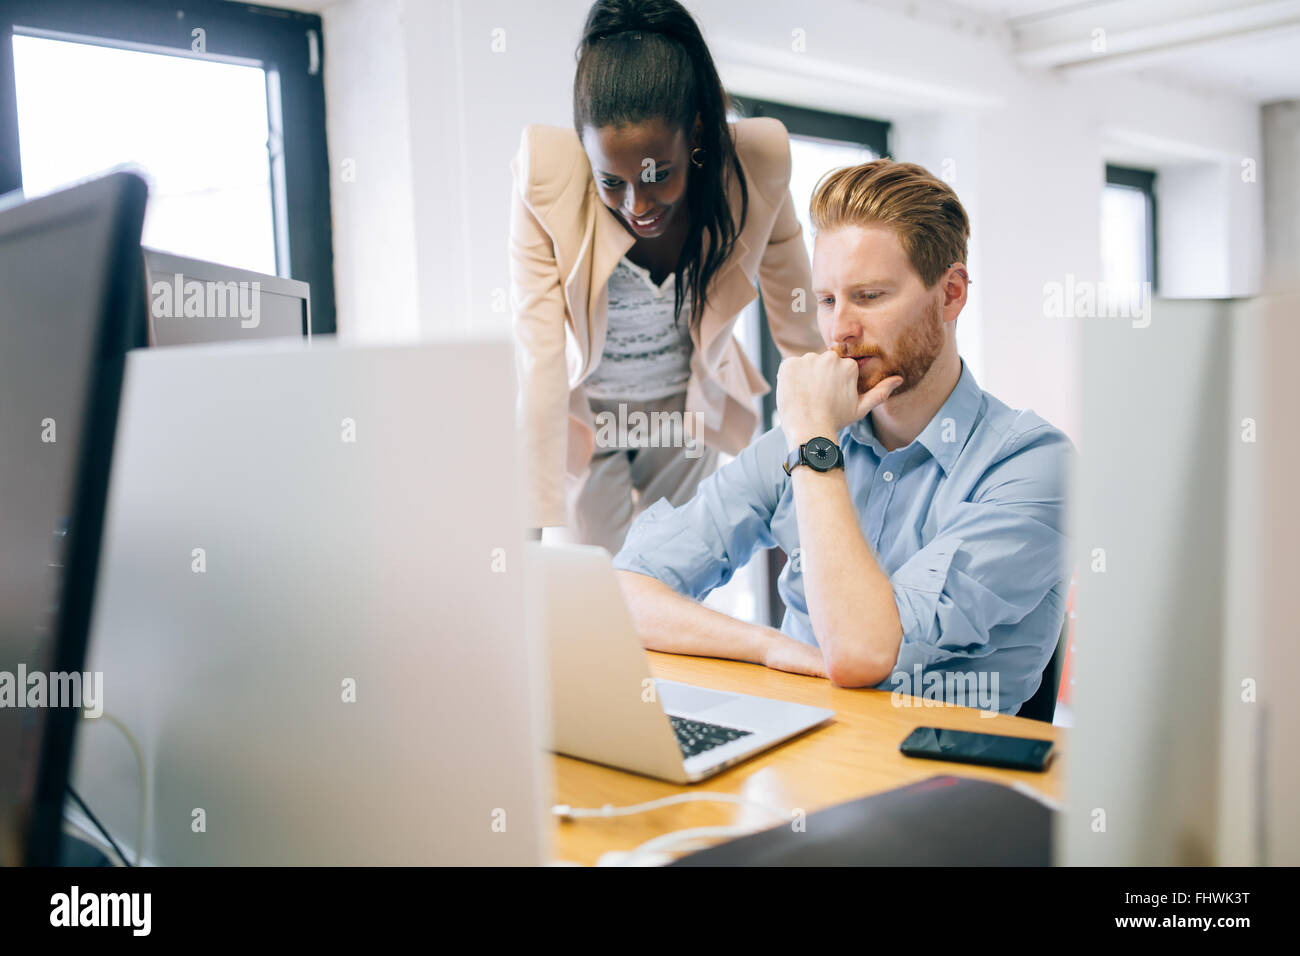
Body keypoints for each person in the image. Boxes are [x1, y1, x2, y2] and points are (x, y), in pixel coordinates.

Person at [612, 159, 1075, 715]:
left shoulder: (1031, 464)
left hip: (952, 784)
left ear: (950, 294)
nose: (839, 332)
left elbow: (862, 652)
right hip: (808, 758)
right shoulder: (811, 434)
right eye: (828, 300)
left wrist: (814, 447)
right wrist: (769, 647)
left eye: (870, 296)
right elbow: (625, 591)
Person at [509, 0, 824, 553]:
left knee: (670, 576)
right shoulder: (543, 174)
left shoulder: (756, 165)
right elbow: (540, 358)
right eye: (612, 180)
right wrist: (525, 535)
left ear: (695, 133)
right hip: (593, 411)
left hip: (685, 407)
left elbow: (801, 327)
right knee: (598, 582)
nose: (638, 203)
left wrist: (829, 456)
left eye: (659, 174)